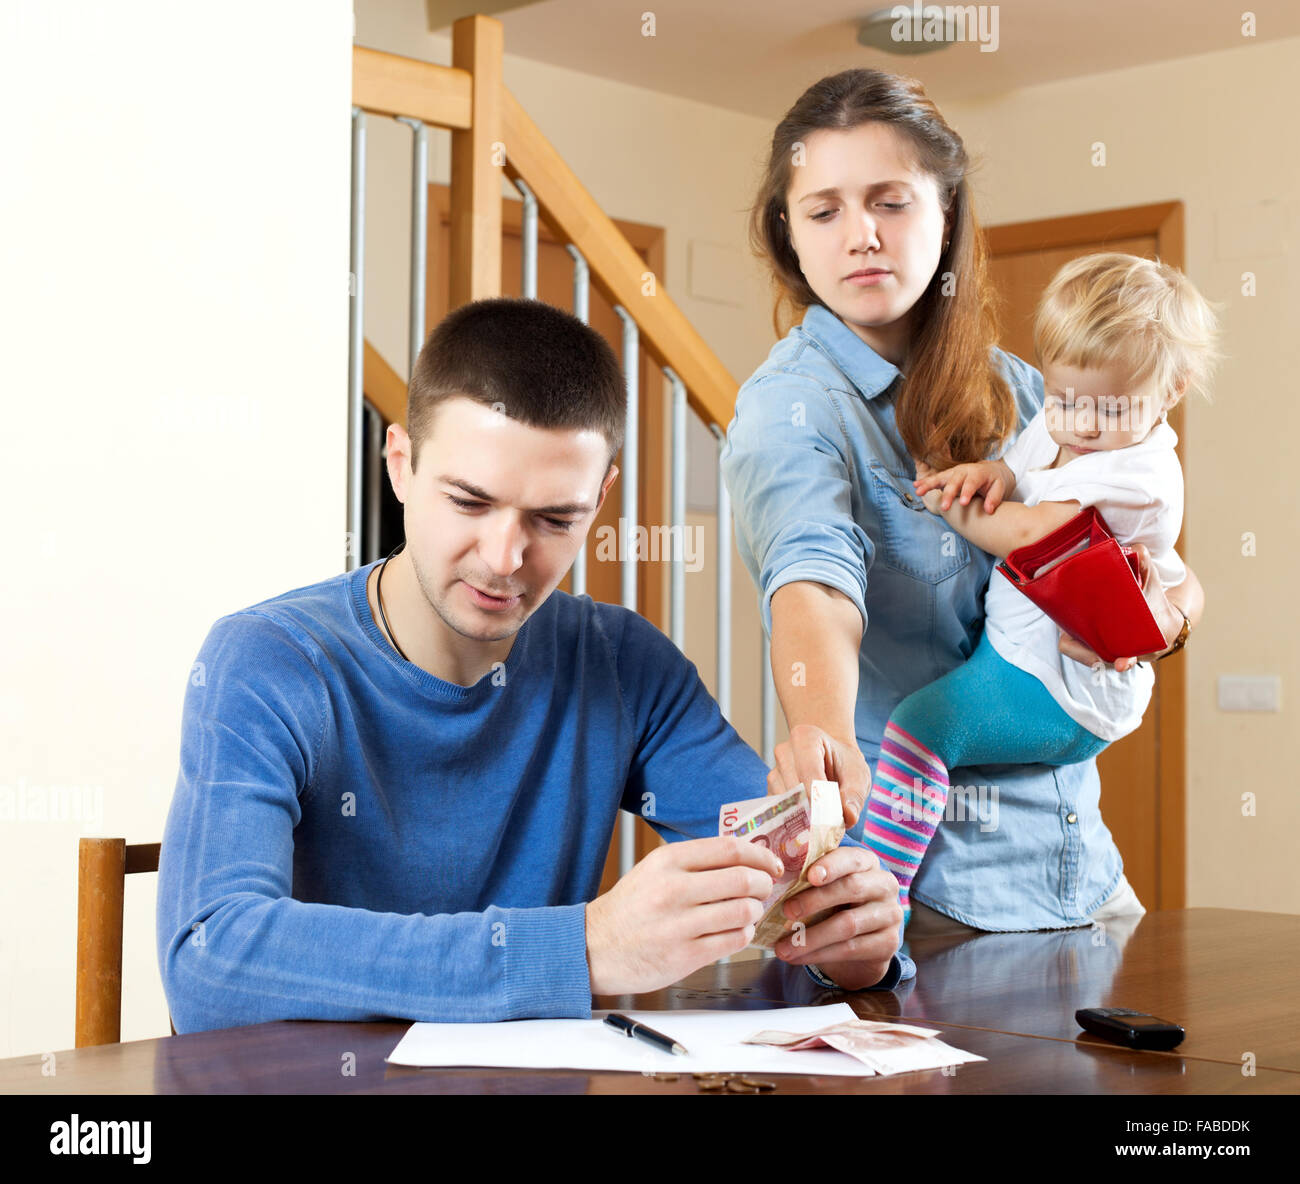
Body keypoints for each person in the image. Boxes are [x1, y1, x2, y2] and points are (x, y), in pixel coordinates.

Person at [156, 297, 906, 1034]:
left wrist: (843, 941)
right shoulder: (266, 662)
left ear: (601, 498)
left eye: (555, 519)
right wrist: (581, 948)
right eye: (469, 502)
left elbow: (779, 877)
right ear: (401, 465)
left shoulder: (621, 662)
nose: (505, 558)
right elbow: (209, 964)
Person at [721, 69, 1205, 937]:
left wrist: (1164, 617)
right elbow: (813, 579)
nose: (861, 235)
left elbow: (1162, 559)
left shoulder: (1027, 392)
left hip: (1086, 875)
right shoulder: (788, 409)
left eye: (891, 202)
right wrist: (822, 730)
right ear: (789, 236)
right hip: (933, 899)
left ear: (946, 216)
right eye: (824, 211)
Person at [860, 252, 1221, 924]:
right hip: (1022, 655)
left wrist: (950, 501)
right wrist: (991, 474)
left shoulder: (1142, 476)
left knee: (919, 729)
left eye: (1109, 407)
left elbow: (1032, 535)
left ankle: (881, 900)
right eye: (1063, 400)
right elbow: (1020, 472)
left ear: (1173, 388)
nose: (1081, 425)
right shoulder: (1064, 427)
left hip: (1063, 686)